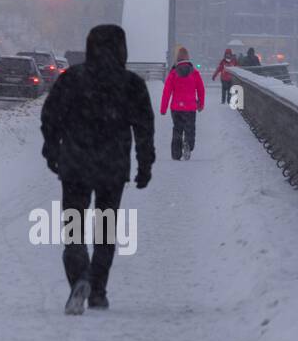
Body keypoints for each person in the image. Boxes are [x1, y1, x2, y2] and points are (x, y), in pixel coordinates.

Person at [41, 24, 155, 315]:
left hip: (76, 164)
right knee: (105, 229)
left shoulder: (72, 79)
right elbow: (144, 128)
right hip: (112, 167)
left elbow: (51, 116)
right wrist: (145, 164)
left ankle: (79, 276)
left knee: (74, 228)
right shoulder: (131, 84)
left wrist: (52, 149)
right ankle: (98, 291)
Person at [161, 46, 205, 160]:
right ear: (188, 58)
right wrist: (201, 104)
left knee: (177, 129)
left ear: (178, 59)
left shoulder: (173, 73)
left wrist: (163, 108)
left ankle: (176, 154)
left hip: (176, 108)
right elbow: (201, 89)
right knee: (190, 128)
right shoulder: (194, 73)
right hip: (190, 107)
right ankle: (188, 144)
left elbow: (167, 92)